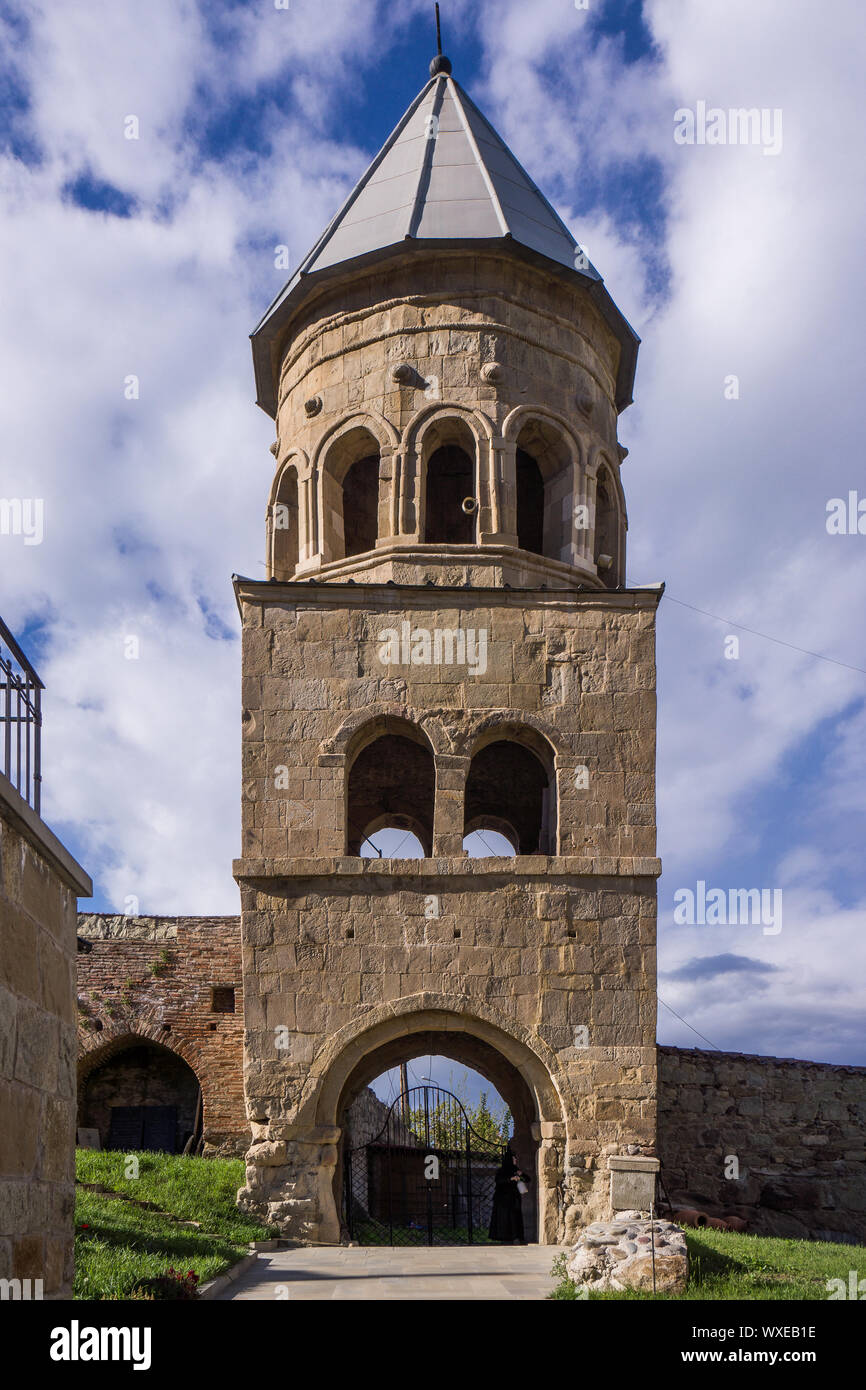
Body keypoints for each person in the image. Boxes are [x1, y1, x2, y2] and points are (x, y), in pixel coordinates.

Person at [488, 1146, 530, 1243]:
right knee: (504, 1218)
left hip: (514, 1199)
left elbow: (527, 1179)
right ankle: (504, 1238)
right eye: (514, 1158)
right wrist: (510, 1179)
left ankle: (516, 1237)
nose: (515, 1159)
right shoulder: (502, 1171)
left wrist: (521, 1174)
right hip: (502, 1200)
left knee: (515, 1218)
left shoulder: (516, 1170)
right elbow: (499, 1181)